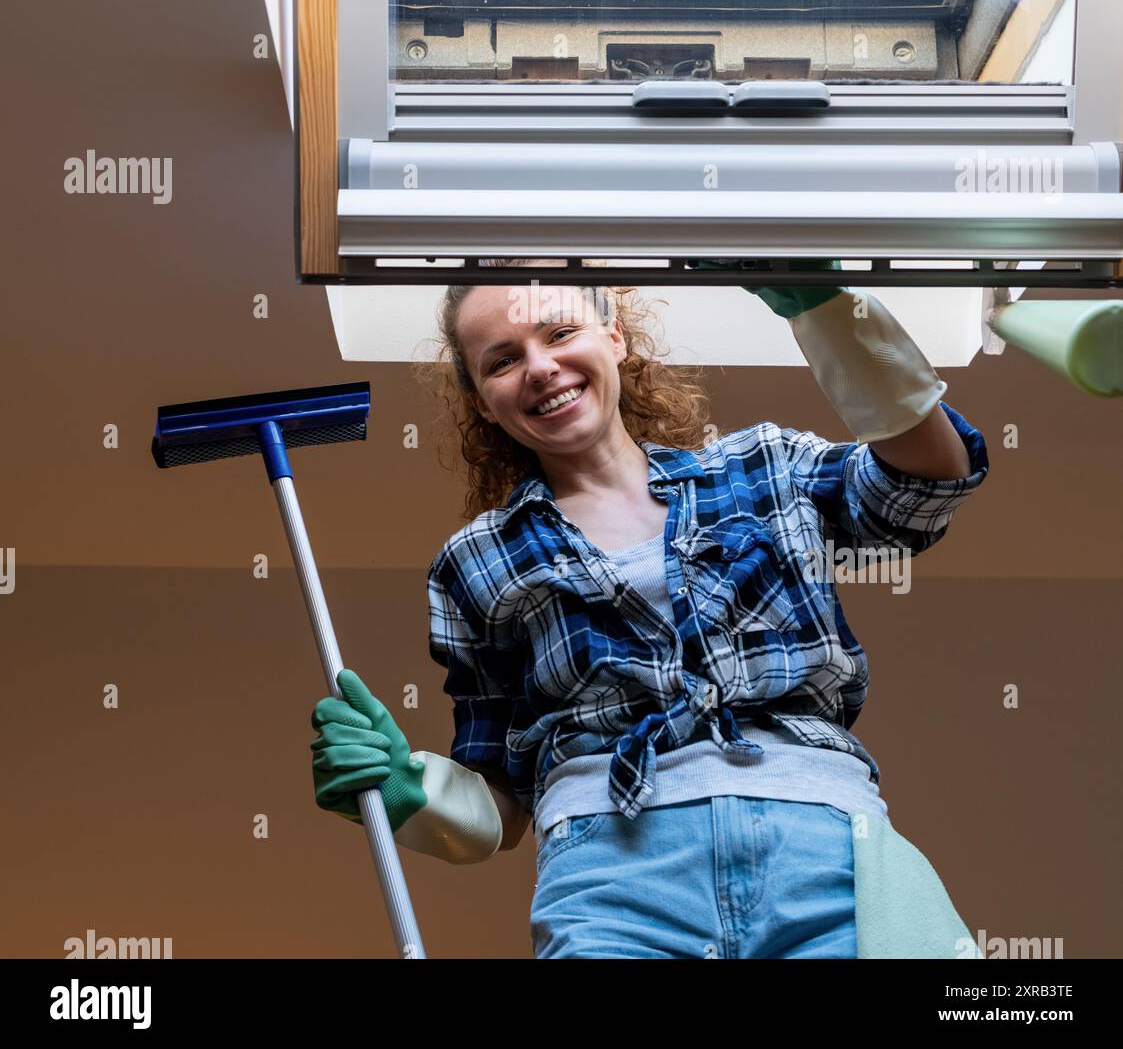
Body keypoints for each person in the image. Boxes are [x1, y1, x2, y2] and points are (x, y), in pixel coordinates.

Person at [309, 259, 989, 958]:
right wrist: (409, 792)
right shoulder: (477, 559)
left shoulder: (764, 469)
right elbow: (502, 805)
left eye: (560, 332)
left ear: (614, 339)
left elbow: (923, 485)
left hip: (822, 855)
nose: (539, 367)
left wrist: (831, 315)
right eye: (502, 360)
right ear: (483, 399)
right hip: (613, 881)